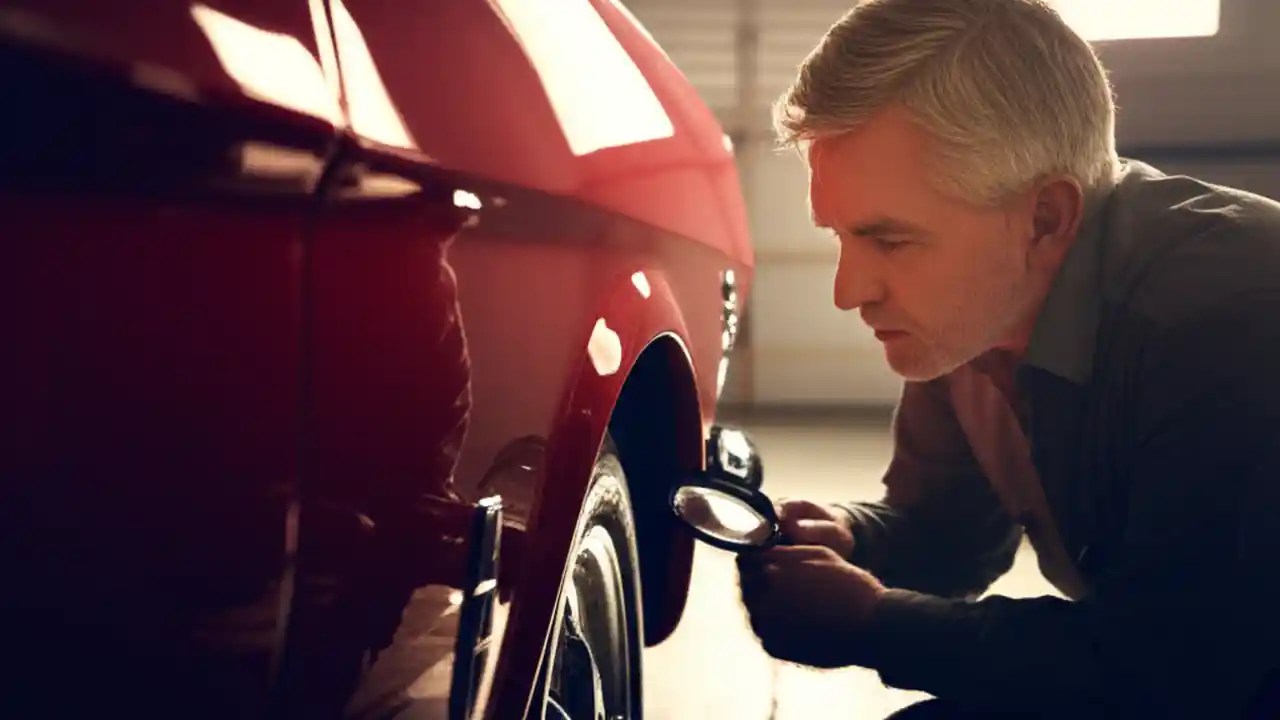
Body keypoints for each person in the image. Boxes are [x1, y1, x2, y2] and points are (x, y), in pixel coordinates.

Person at [734, 1, 1280, 717]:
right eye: (841, 236)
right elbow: (953, 537)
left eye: (890, 241)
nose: (848, 291)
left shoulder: (1228, 321)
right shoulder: (980, 318)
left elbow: (1176, 670)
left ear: (1045, 219)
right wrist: (853, 536)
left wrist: (873, 621)